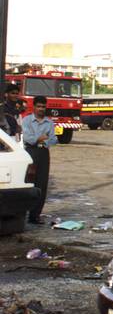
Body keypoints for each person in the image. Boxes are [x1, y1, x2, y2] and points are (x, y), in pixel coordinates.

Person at [21, 95, 57, 223]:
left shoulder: (49, 122)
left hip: (43, 153)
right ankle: (21, 212)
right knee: (27, 182)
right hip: (30, 152)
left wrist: (41, 140)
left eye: (43, 106)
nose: (41, 109)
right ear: (34, 107)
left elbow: (53, 139)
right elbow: (27, 138)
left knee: (42, 184)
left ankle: (35, 215)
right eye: (39, 106)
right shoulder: (26, 120)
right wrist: (40, 138)